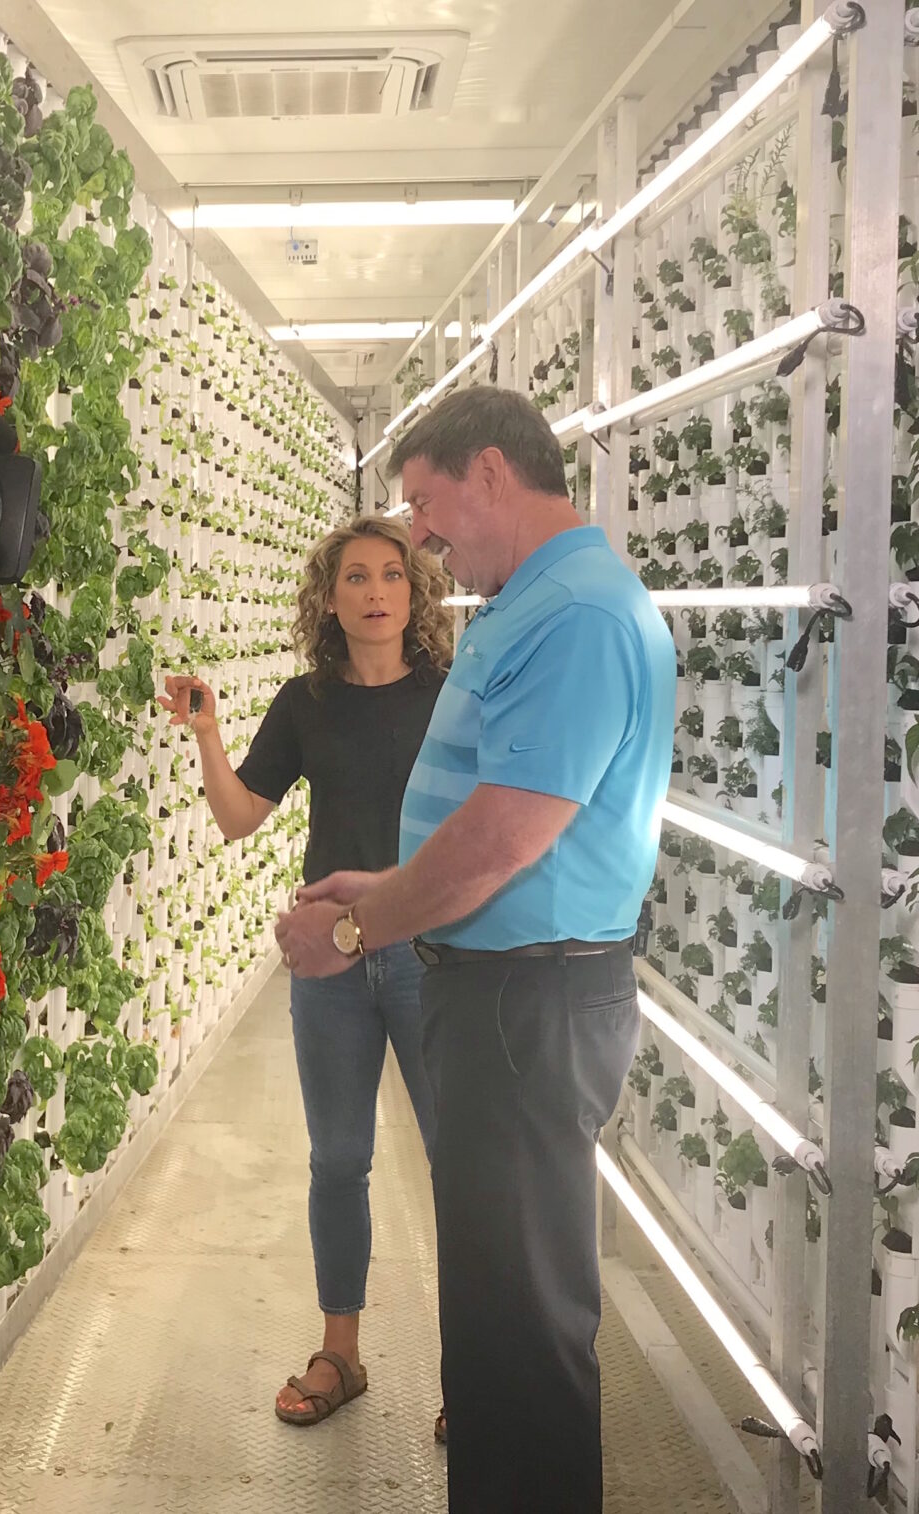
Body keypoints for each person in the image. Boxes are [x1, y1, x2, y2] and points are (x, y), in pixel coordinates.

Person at [277, 386, 674, 1514]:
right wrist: (390, 884)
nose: (420, 535)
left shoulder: (581, 616)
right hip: (499, 995)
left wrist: (359, 925)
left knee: (527, 1326)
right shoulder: (531, 601)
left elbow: (506, 836)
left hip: (527, 1002)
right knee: (499, 1316)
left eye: (427, 503)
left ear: (491, 470)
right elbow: (484, 817)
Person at [158, 516, 452, 1428]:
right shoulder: (305, 701)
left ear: (416, 596)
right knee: (337, 1161)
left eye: (391, 577)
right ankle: (342, 1353)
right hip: (330, 961)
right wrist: (206, 732)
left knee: (458, 1165)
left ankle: (468, 1368)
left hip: (428, 953)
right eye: (356, 577)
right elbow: (243, 816)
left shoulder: (451, 695)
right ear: (329, 598)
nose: (375, 592)